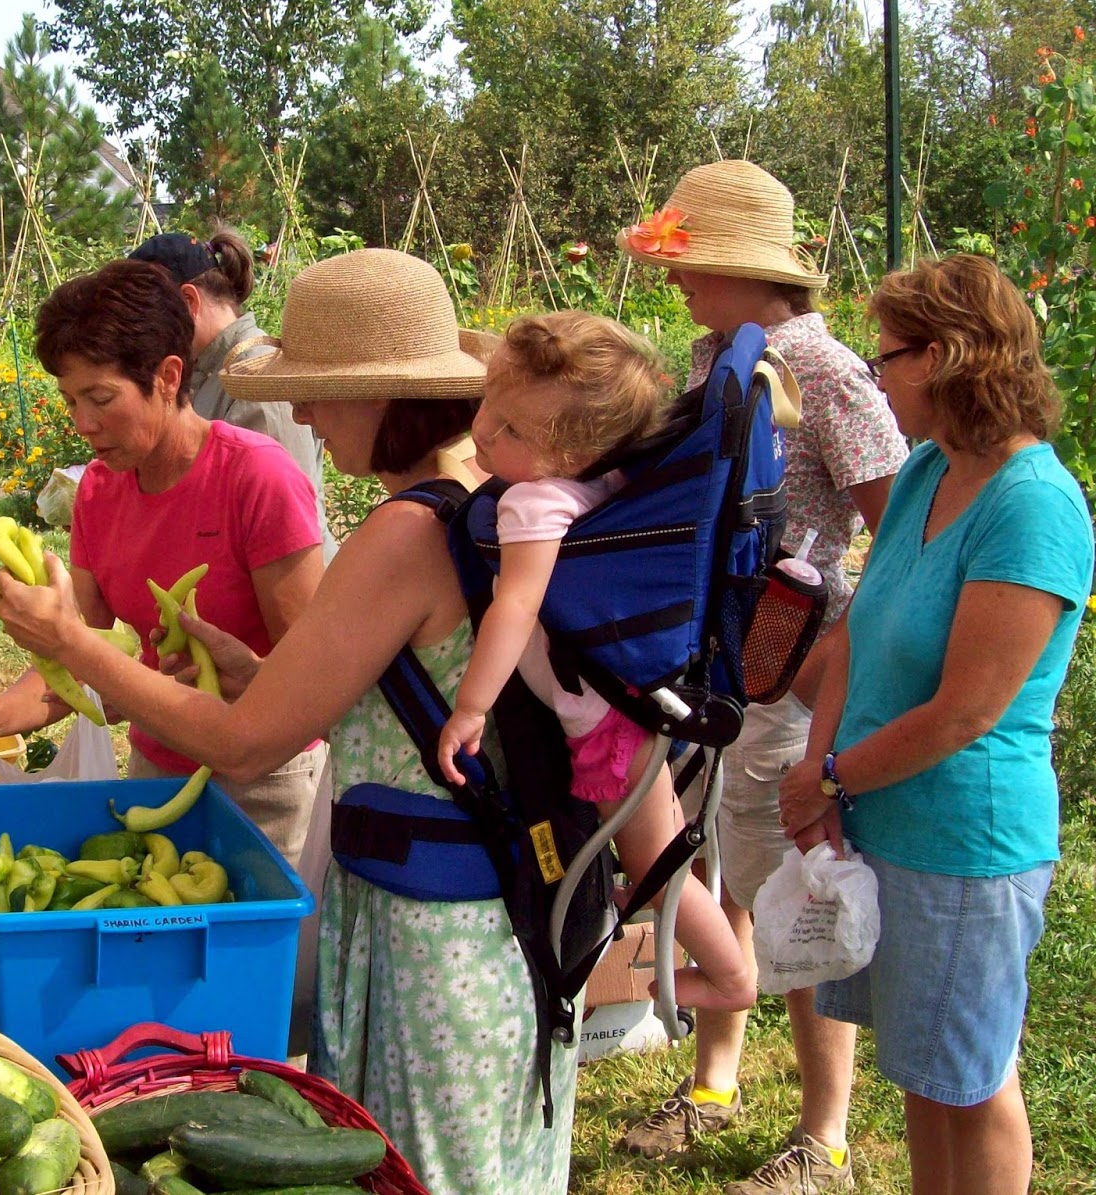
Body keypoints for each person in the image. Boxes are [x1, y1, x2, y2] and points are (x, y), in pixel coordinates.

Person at [0, 248, 576, 1193]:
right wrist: (255, 669)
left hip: (436, 936)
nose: (301, 415)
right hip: (463, 911)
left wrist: (77, 643)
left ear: (385, 398)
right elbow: (385, 704)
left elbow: (250, 742)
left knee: (424, 1170)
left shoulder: (405, 531)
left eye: (321, 395)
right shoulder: (477, 507)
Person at [613, 159, 909, 1195]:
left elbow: (898, 529)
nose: (675, 283)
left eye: (692, 265)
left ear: (750, 271)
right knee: (716, 873)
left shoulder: (822, 373)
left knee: (791, 893)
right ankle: (716, 1080)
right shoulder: (714, 357)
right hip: (716, 670)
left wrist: (831, 656)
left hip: (789, 672)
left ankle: (822, 1137)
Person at [776, 254, 1091, 1195]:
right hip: (884, 816)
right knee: (924, 1072)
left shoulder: (1033, 506)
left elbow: (966, 711)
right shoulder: (925, 471)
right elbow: (861, 633)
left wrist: (832, 779)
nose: (876, 378)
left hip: (965, 840)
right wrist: (818, 764)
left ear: (952, 356)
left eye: (890, 358)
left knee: (974, 1078)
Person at [0, 258, 327, 867]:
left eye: (101, 398)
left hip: (266, 786)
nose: (83, 424)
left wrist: (244, 675)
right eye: (70, 401)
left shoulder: (257, 477)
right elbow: (81, 659)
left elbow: (312, 685)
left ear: (169, 377)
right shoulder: (98, 488)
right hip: (155, 774)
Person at [436, 311, 753, 1013]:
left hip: (607, 724)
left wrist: (470, 707)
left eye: (515, 431)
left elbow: (515, 608)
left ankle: (733, 978)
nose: (486, 431)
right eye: (491, 404)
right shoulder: (599, 483)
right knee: (659, 848)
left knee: (657, 862)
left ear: (565, 455)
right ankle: (714, 959)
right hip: (626, 703)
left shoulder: (531, 503)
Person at [130, 229, 334, 557]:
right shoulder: (204, 372)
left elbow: (281, 529)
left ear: (188, 302)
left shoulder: (257, 382)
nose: (141, 341)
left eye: (144, 324)